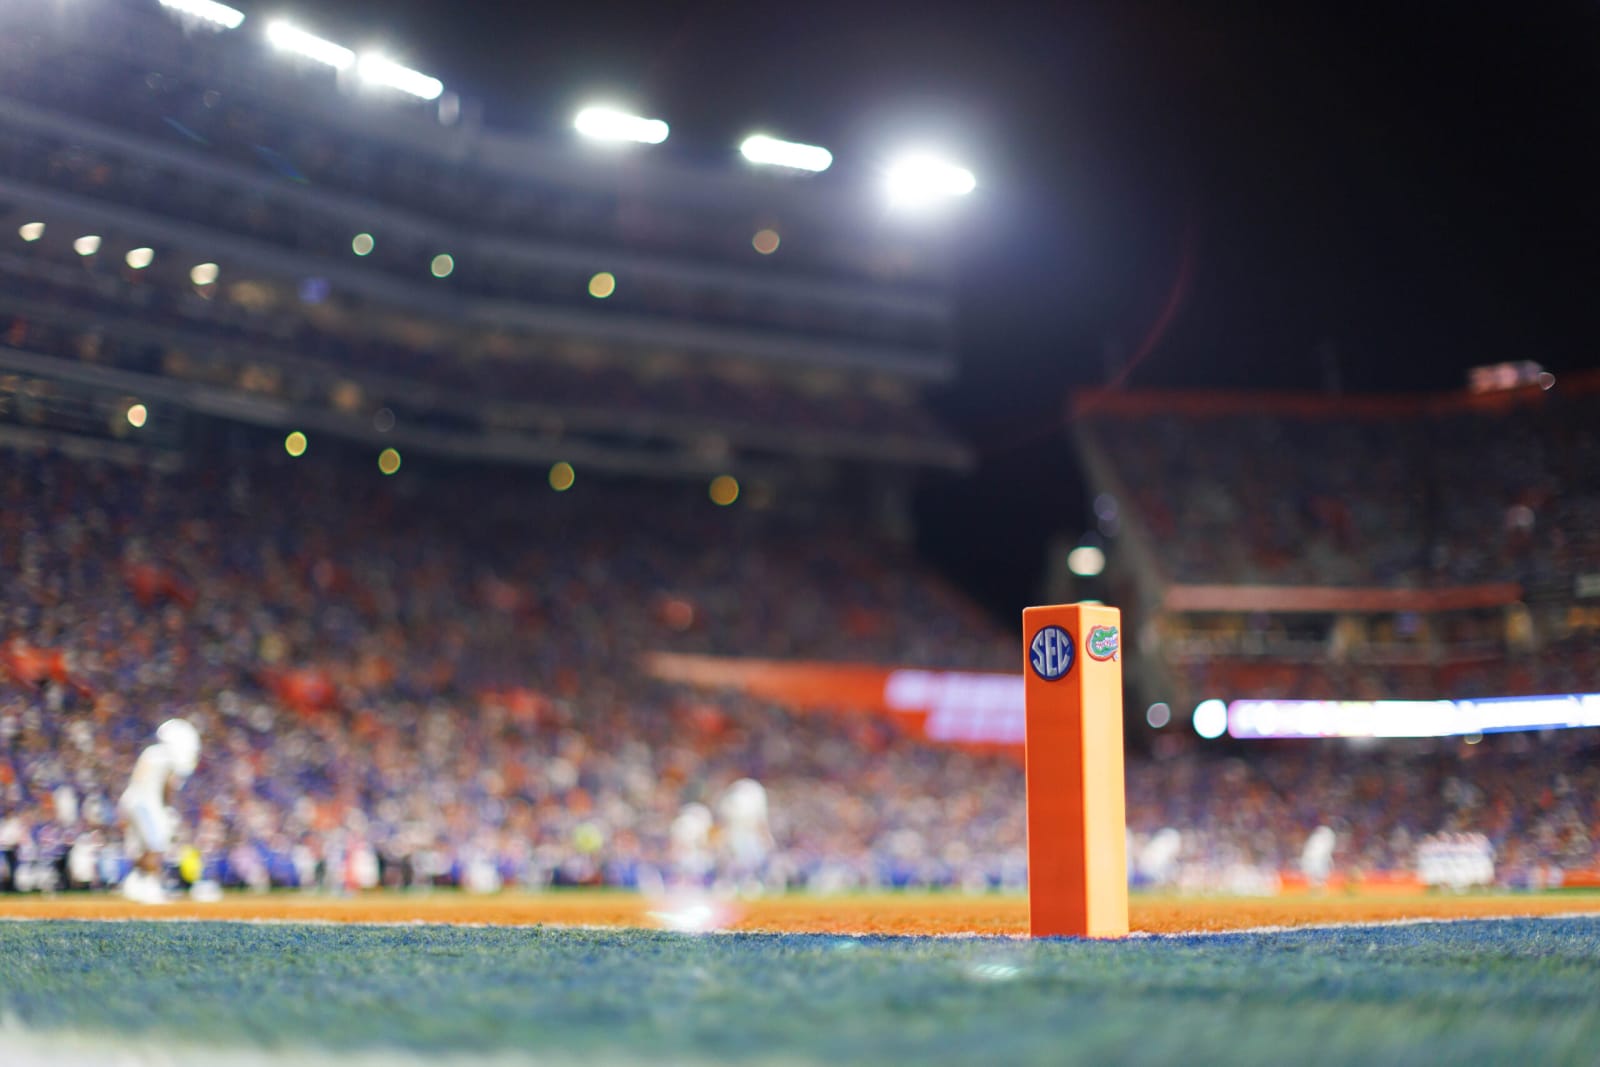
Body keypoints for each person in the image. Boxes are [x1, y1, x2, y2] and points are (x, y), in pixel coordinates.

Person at [117, 718, 200, 904]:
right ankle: (151, 886)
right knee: (157, 845)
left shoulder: (153, 752)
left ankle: (135, 882)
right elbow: (168, 786)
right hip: (145, 803)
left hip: (132, 800)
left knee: (146, 847)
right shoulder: (171, 756)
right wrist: (167, 808)